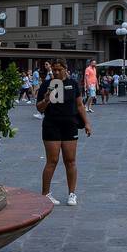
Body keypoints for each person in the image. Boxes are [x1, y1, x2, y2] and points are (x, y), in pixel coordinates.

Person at [37, 59, 90, 206]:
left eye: (59, 69)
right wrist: (47, 99)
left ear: (66, 69)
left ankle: (72, 194)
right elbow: (39, 108)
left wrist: (87, 123)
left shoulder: (73, 84)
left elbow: (79, 105)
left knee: (70, 160)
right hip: (51, 125)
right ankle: (45, 194)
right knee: (52, 161)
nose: (56, 72)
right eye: (54, 70)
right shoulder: (46, 85)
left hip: (69, 125)